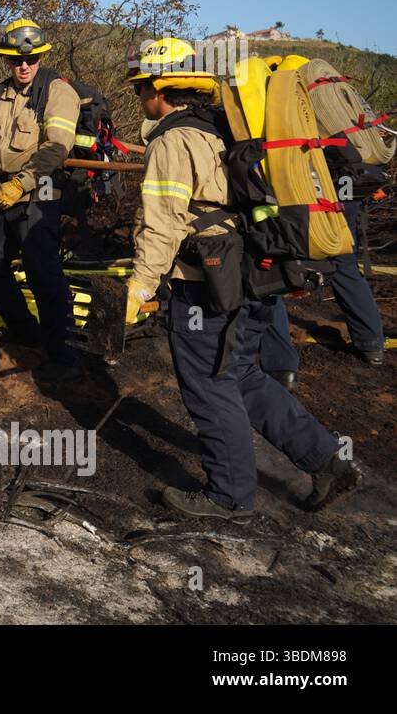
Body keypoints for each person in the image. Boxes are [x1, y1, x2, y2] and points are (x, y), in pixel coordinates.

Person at [125, 39, 361, 519]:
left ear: (157, 89)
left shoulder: (173, 139)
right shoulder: (224, 126)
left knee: (211, 384)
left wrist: (141, 288)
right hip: (252, 273)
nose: (139, 98)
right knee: (242, 375)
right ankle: (327, 459)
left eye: (140, 89)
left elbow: (163, 222)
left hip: (203, 284)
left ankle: (229, 496)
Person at [258, 55, 387, 386]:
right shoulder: (332, 102)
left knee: (268, 267)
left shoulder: (293, 100)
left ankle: (279, 362)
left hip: (319, 192)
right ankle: (371, 344)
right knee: (345, 265)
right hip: (351, 189)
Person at [0, 19, 80, 368]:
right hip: (1, 192)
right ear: (6, 60)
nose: (23, 66)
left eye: (30, 59)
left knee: (42, 273)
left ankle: (63, 355)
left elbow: (56, 148)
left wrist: (21, 183)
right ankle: (27, 333)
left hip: (39, 191)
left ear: (41, 57)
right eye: (15, 60)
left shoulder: (58, 92)